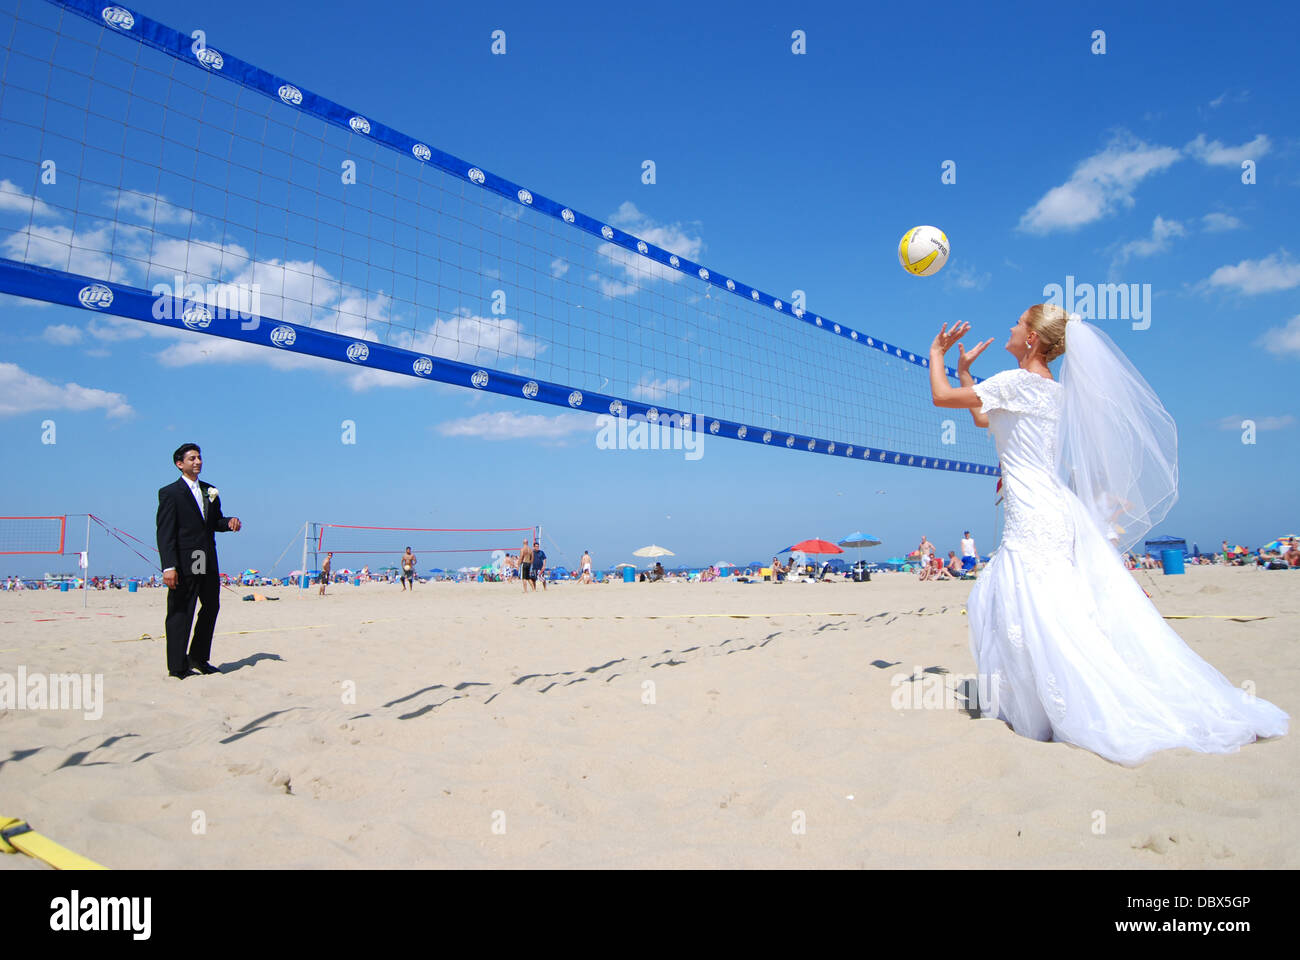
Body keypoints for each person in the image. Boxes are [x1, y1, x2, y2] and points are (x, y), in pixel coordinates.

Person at [928, 306, 1287, 765]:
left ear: (1034, 339)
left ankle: (1062, 707)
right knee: (1044, 603)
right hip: (1053, 510)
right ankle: (1043, 702)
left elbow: (942, 399)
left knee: (1036, 604)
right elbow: (984, 418)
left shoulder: (1014, 383)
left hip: (1035, 512)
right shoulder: (1051, 392)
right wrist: (965, 372)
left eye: (1018, 324)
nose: (1011, 329)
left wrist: (937, 355)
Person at [155, 443, 242, 679]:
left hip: (206, 557)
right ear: (180, 464)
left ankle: (199, 657)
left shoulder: (210, 490)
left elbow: (215, 522)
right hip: (186, 559)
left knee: (211, 605)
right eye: (192, 458)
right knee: (183, 608)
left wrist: (229, 522)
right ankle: (177, 666)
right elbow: (165, 533)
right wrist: (169, 566)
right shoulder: (170, 493)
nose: (198, 462)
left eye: (199, 458)